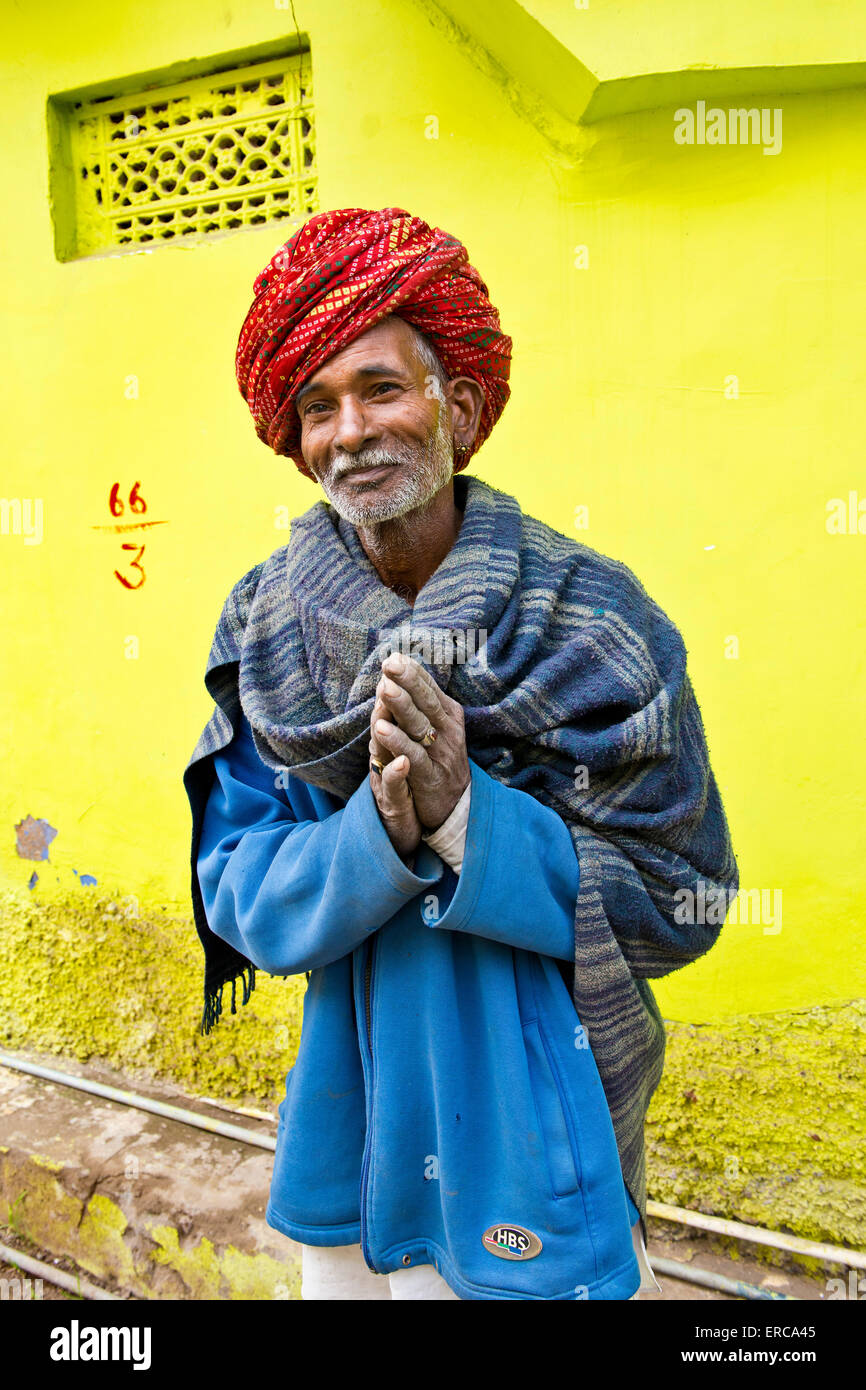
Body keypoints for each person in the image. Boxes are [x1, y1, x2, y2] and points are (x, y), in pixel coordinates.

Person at [183, 206, 738, 1300]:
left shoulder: (596, 621)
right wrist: (374, 833)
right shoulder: (263, 629)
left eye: (382, 388)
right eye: (316, 406)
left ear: (460, 404)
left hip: (536, 1130)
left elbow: (685, 899)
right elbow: (234, 888)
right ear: (294, 443)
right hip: (349, 1121)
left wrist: (468, 821)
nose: (349, 431)